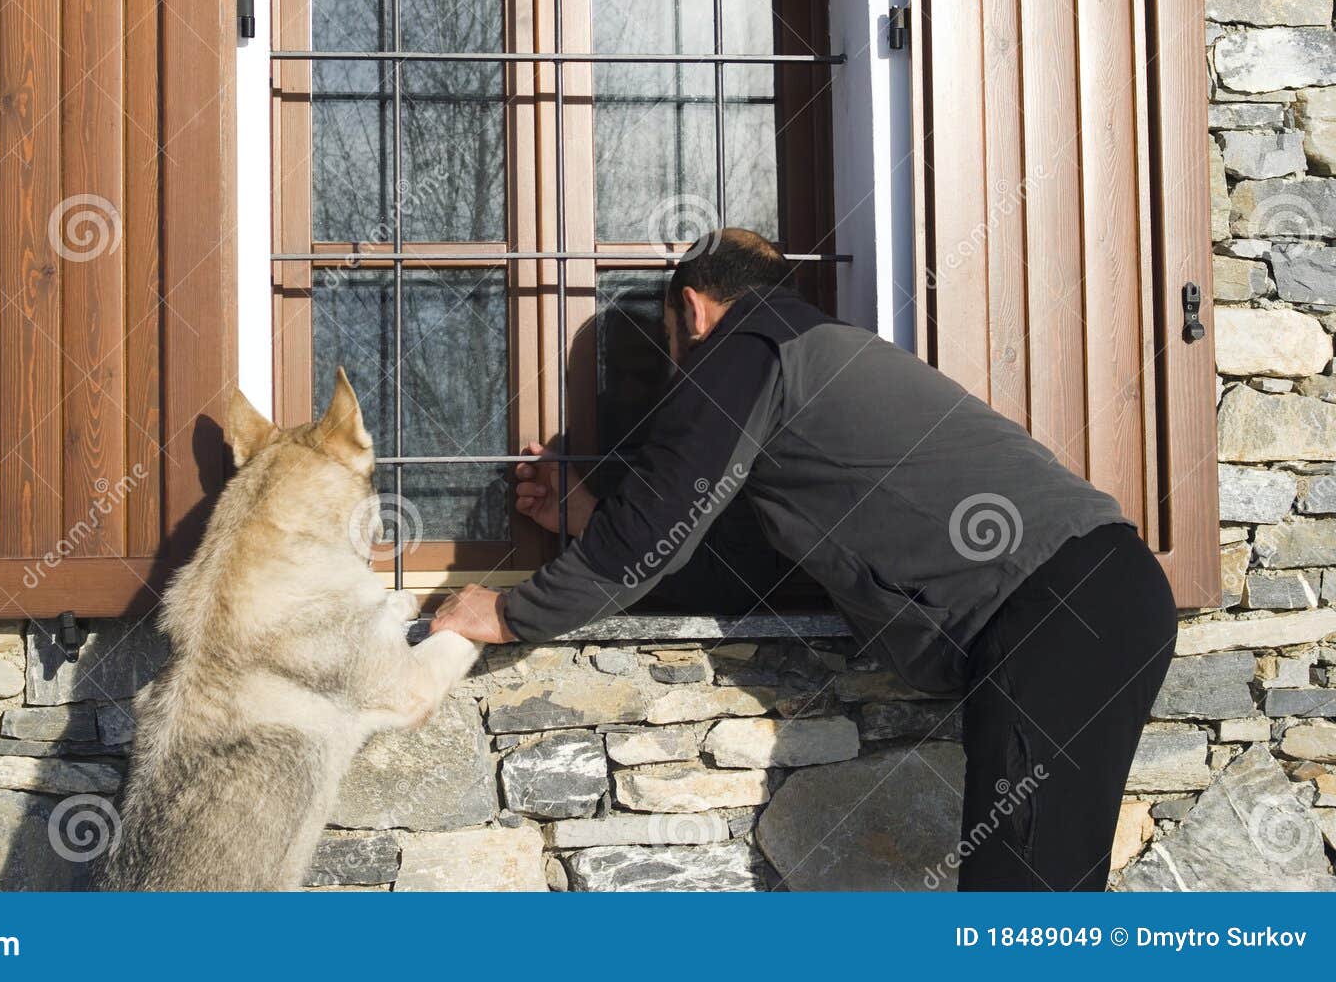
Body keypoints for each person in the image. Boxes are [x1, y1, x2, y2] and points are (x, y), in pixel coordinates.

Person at [431, 228, 1177, 891]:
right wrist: (590, 517)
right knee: (1043, 887)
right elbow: (728, 568)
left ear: (692, 310)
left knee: (1024, 899)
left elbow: (654, 527)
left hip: (1060, 607)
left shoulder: (748, 345)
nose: (673, 378)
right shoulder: (807, 379)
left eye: (665, 349)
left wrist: (504, 610)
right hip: (1095, 599)